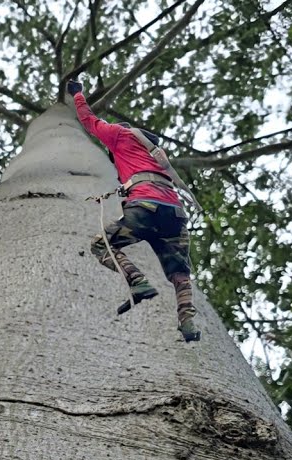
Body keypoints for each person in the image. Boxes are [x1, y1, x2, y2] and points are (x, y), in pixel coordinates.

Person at [66, 77, 201, 342]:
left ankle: (137, 281)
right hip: (174, 213)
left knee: (101, 245)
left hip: (145, 206)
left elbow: (89, 121)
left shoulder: (119, 134)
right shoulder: (155, 154)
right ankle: (187, 321)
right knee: (180, 272)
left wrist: (77, 94)